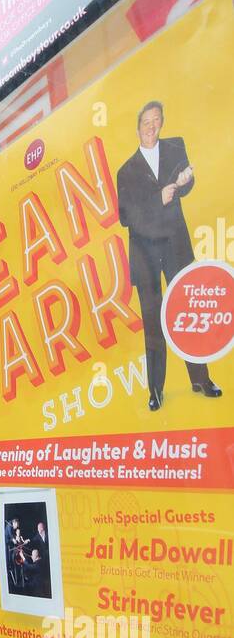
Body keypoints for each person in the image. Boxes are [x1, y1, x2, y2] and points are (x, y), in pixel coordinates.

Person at [116, 100, 221, 411]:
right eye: (146, 122)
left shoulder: (176, 147)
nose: (151, 127)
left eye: (156, 120)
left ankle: (201, 379)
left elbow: (187, 186)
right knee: (153, 324)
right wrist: (158, 199)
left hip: (175, 246)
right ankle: (156, 391)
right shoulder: (126, 171)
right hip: (144, 254)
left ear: (161, 122)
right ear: (137, 128)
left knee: (188, 312)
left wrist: (185, 183)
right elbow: (126, 217)